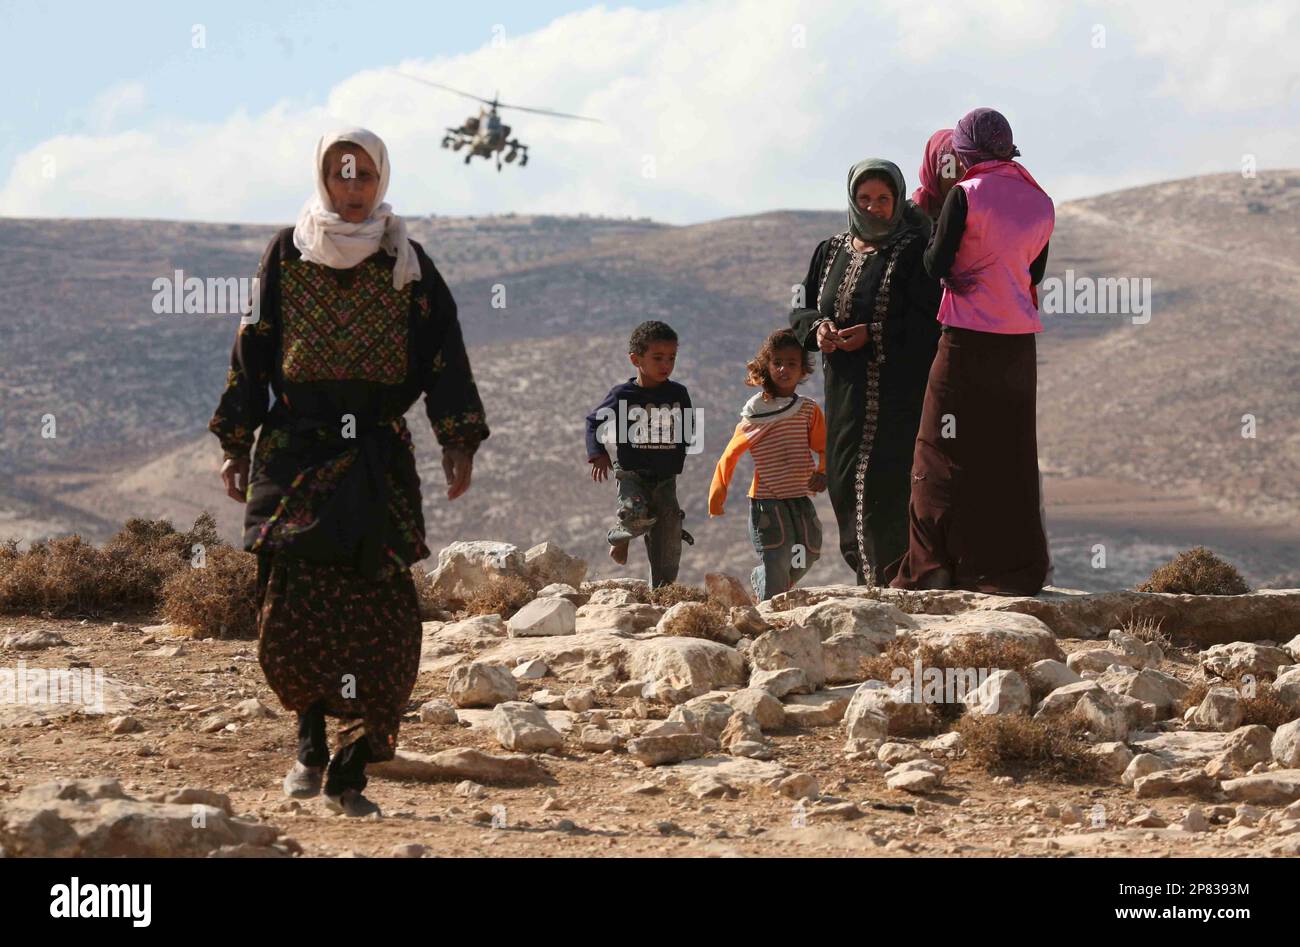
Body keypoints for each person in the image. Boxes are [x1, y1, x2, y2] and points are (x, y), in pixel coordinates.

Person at [208, 127, 489, 817]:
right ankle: (308, 738)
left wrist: (457, 437)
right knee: (290, 611)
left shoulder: (406, 260)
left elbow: (443, 350)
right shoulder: (287, 252)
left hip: (374, 460)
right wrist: (235, 439)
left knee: (387, 623)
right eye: (342, 173)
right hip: (297, 453)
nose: (354, 185)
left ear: (382, 178)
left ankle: (353, 762)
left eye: (364, 173)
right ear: (325, 178)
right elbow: (255, 344)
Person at [886, 107, 1053, 595]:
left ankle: (933, 563)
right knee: (1007, 453)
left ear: (965, 151)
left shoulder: (965, 194)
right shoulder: (1041, 200)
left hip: (965, 340)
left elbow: (937, 264)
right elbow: (1034, 274)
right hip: (1018, 347)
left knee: (939, 447)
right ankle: (1003, 570)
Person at [790, 159, 942, 585]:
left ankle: (887, 587)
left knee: (881, 490)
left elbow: (928, 321)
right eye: (864, 199)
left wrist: (873, 334)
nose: (873, 208)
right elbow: (800, 307)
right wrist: (818, 329)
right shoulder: (830, 250)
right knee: (842, 483)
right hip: (843, 394)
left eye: (882, 199)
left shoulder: (913, 250)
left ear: (896, 200)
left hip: (895, 395)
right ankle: (869, 579)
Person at [708, 328, 826, 601]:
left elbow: (824, 446)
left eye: (792, 363)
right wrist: (717, 495)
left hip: (799, 495)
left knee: (810, 550)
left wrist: (823, 472)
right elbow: (730, 455)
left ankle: (763, 579)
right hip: (767, 501)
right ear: (767, 366)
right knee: (777, 556)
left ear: (803, 370)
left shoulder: (808, 409)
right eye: (777, 363)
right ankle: (769, 614)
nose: (784, 369)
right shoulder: (755, 413)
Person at [585, 321, 695, 587]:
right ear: (636, 359)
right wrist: (597, 453)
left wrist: (676, 451)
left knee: (668, 537)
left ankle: (662, 595)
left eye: (671, 358)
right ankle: (620, 537)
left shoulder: (677, 393)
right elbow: (593, 421)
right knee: (636, 513)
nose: (665, 364)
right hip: (632, 473)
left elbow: (688, 425)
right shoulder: (623, 394)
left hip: (665, 478)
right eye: (657, 358)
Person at [912, 128, 958, 222]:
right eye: (949, 170)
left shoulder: (977, 214)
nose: (959, 179)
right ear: (932, 169)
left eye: (966, 170)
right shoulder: (907, 217)